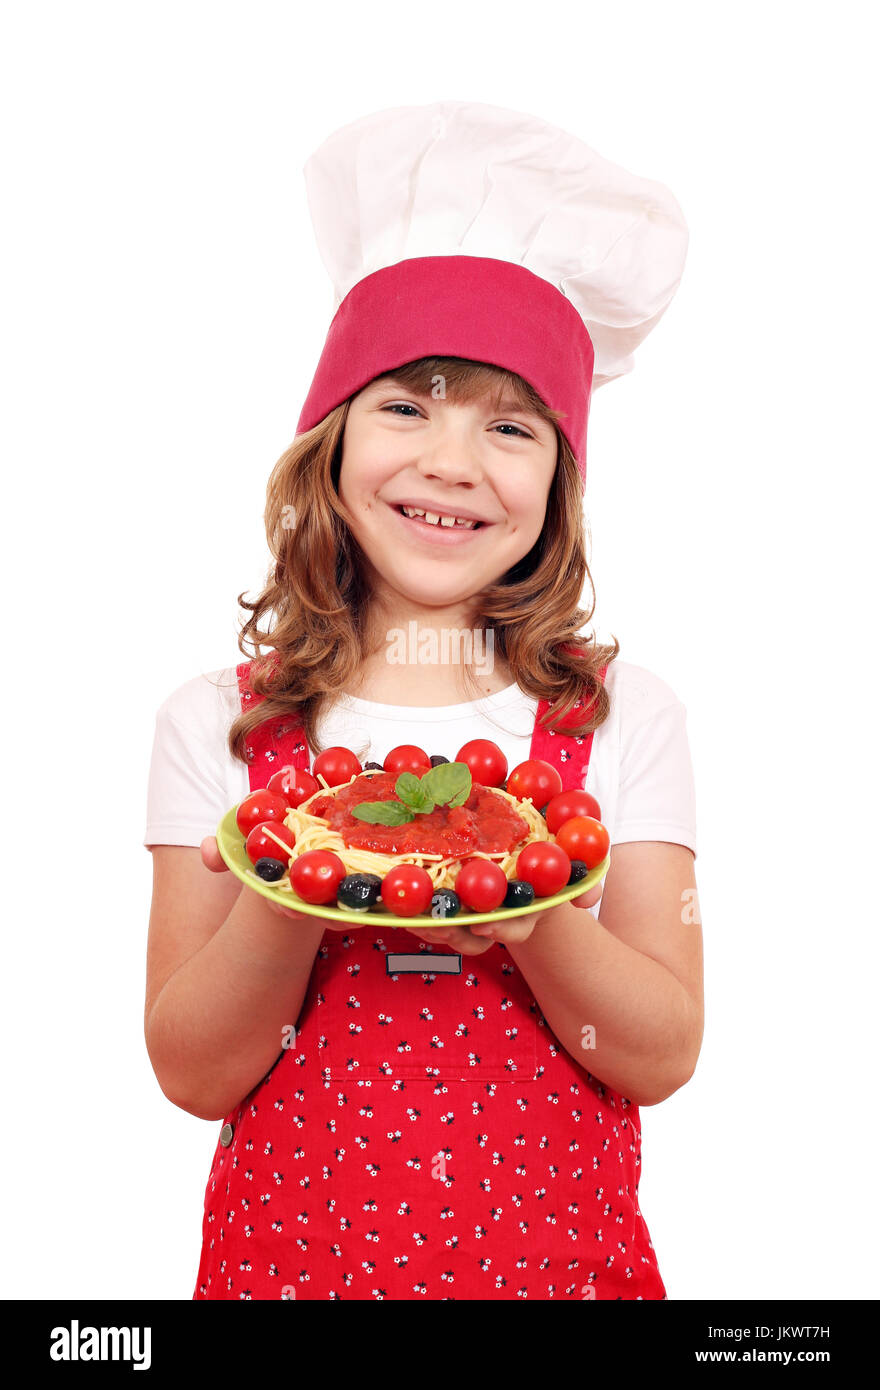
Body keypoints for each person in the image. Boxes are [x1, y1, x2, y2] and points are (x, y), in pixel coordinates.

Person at [143, 101, 702, 1301]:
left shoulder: (616, 717)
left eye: (509, 425)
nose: (452, 461)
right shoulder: (223, 724)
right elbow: (196, 1078)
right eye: (408, 404)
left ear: (558, 481)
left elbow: (655, 1054)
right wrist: (285, 884)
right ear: (329, 442)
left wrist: (535, 916)